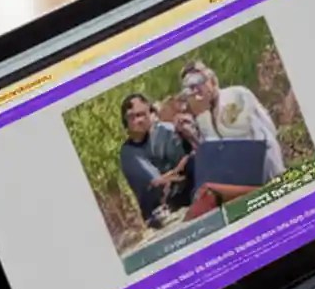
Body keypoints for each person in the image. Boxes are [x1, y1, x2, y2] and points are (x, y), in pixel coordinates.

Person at [179, 60, 286, 181]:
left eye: (199, 82)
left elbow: (231, 151)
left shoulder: (235, 96)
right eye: (190, 88)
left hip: (265, 170)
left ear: (213, 81)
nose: (196, 91)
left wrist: (203, 118)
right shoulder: (202, 114)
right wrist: (191, 136)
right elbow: (213, 158)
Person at [118, 93, 194, 230]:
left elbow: (189, 160)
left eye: (141, 114)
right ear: (125, 122)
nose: (137, 121)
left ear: (150, 113)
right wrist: (175, 173)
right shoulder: (129, 153)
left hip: (189, 194)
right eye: (131, 117)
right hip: (159, 213)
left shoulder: (168, 131)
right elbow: (157, 182)